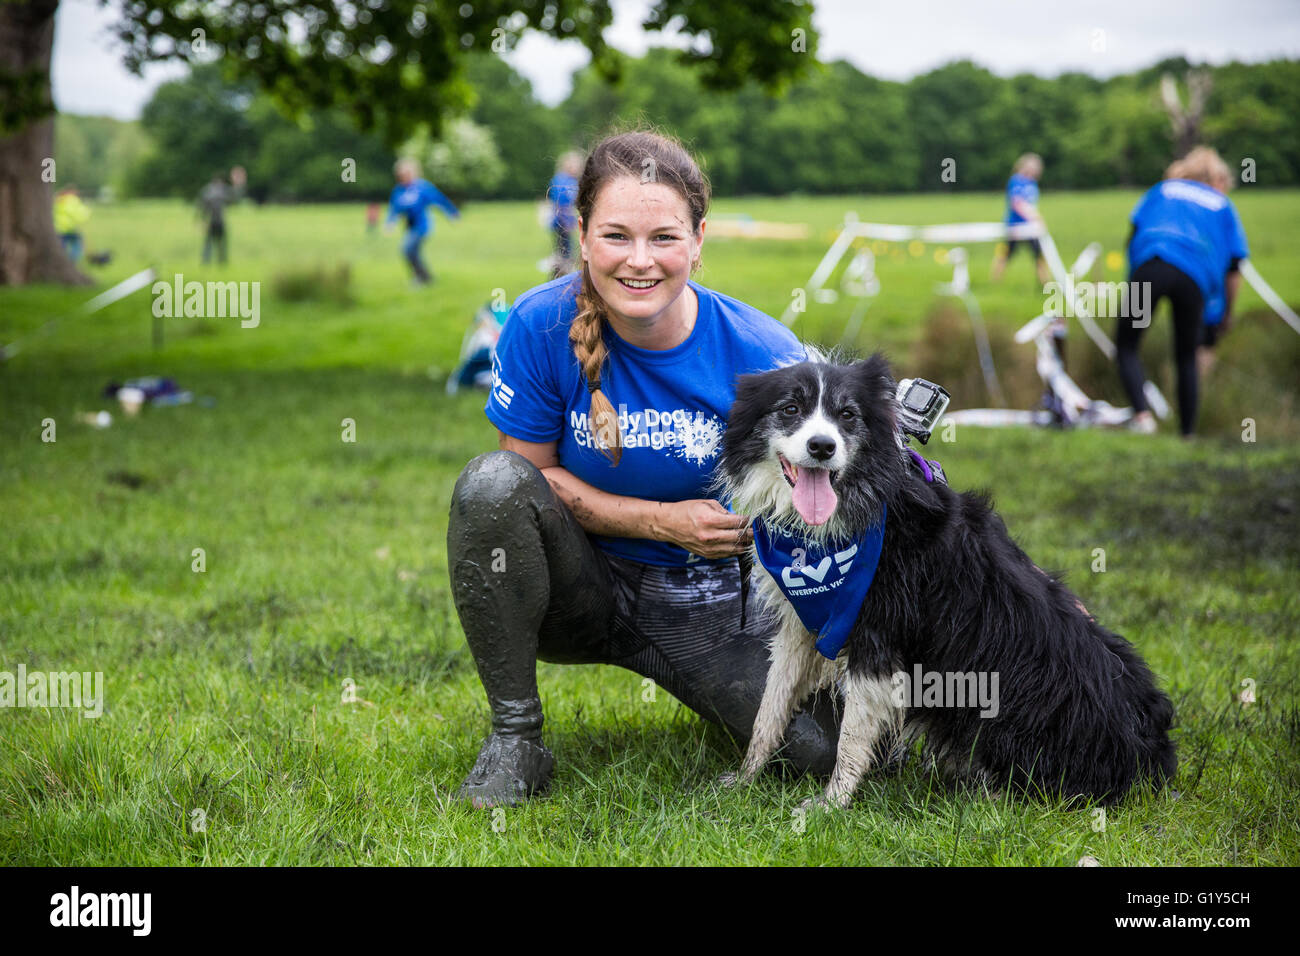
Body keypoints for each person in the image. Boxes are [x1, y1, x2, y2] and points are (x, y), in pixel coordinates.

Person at [446, 130, 846, 808]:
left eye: (664, 237)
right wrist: (660, 522)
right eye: (615, 236)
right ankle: (516, 739)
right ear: (580, 233)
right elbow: (529, 475)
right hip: (583, 590)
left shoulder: (763, 349)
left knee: (817, 752)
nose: (640, 261)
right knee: (490, 485)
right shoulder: (539, 324)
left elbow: (823, 507)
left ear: (698, 239)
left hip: (708, 601)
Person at [1117, 146, 1248, 437]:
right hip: (1194, 278)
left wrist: (1133, 288)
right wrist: (1226, 313)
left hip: (1149, 268)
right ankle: (1187, 433)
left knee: (1127, 344)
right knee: (1186, 355)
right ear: (1219, 178)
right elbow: (1235, 265)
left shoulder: (1164, 189)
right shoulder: (1220, 203)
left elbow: (1133, 234)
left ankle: (1142, 418)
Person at [385, 158, 459, 285]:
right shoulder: (399, 190)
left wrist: (452, 213)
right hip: (410, 227)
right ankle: (423, 277)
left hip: (422, 226)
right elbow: (394, 208)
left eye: (407, 173)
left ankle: (422, 277)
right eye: (402, 174)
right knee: (412, 252)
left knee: (407, 249)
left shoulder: (422, 187)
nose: (404, 177)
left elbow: (439, 200)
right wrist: (390, 222)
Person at [990, 152, 1050, 285]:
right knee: (1005, 254)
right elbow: (1017, 203)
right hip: (1016, 226)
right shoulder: (1016, 181)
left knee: (1039, 255)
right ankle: (994, 282)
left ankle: (1046, 283)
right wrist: (1036, 217)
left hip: (1030, 227)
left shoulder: (1032, 183)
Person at [198, 166, 246, 264]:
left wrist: (202, 220)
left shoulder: (207, 190)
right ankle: (222, 262)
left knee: (209, 243)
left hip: (211, 220)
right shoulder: (223, 191)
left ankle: (206, 262)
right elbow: (234, 199)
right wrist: (238, 184)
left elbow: (202, 206)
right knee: (220, 243)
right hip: (220, 221)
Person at [546, 151, 583, 277]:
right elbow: (560, 203)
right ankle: (559, 278)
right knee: (564, 252)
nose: (577, 168)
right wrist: (566, 222)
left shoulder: (570, 180)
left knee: (566, 251)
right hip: (561, 222)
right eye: (575, 165)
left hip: (566, 220)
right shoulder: (561, 180)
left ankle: (561, 276)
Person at [53, 186, 90, 263]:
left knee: (62, 247)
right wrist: (87, 211)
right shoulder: (73, 200)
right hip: (71, 229)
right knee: (77, 246)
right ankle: (71, 262)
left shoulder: (58, 200)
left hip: (58, 229)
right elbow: (79, 215)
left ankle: (61, 261)